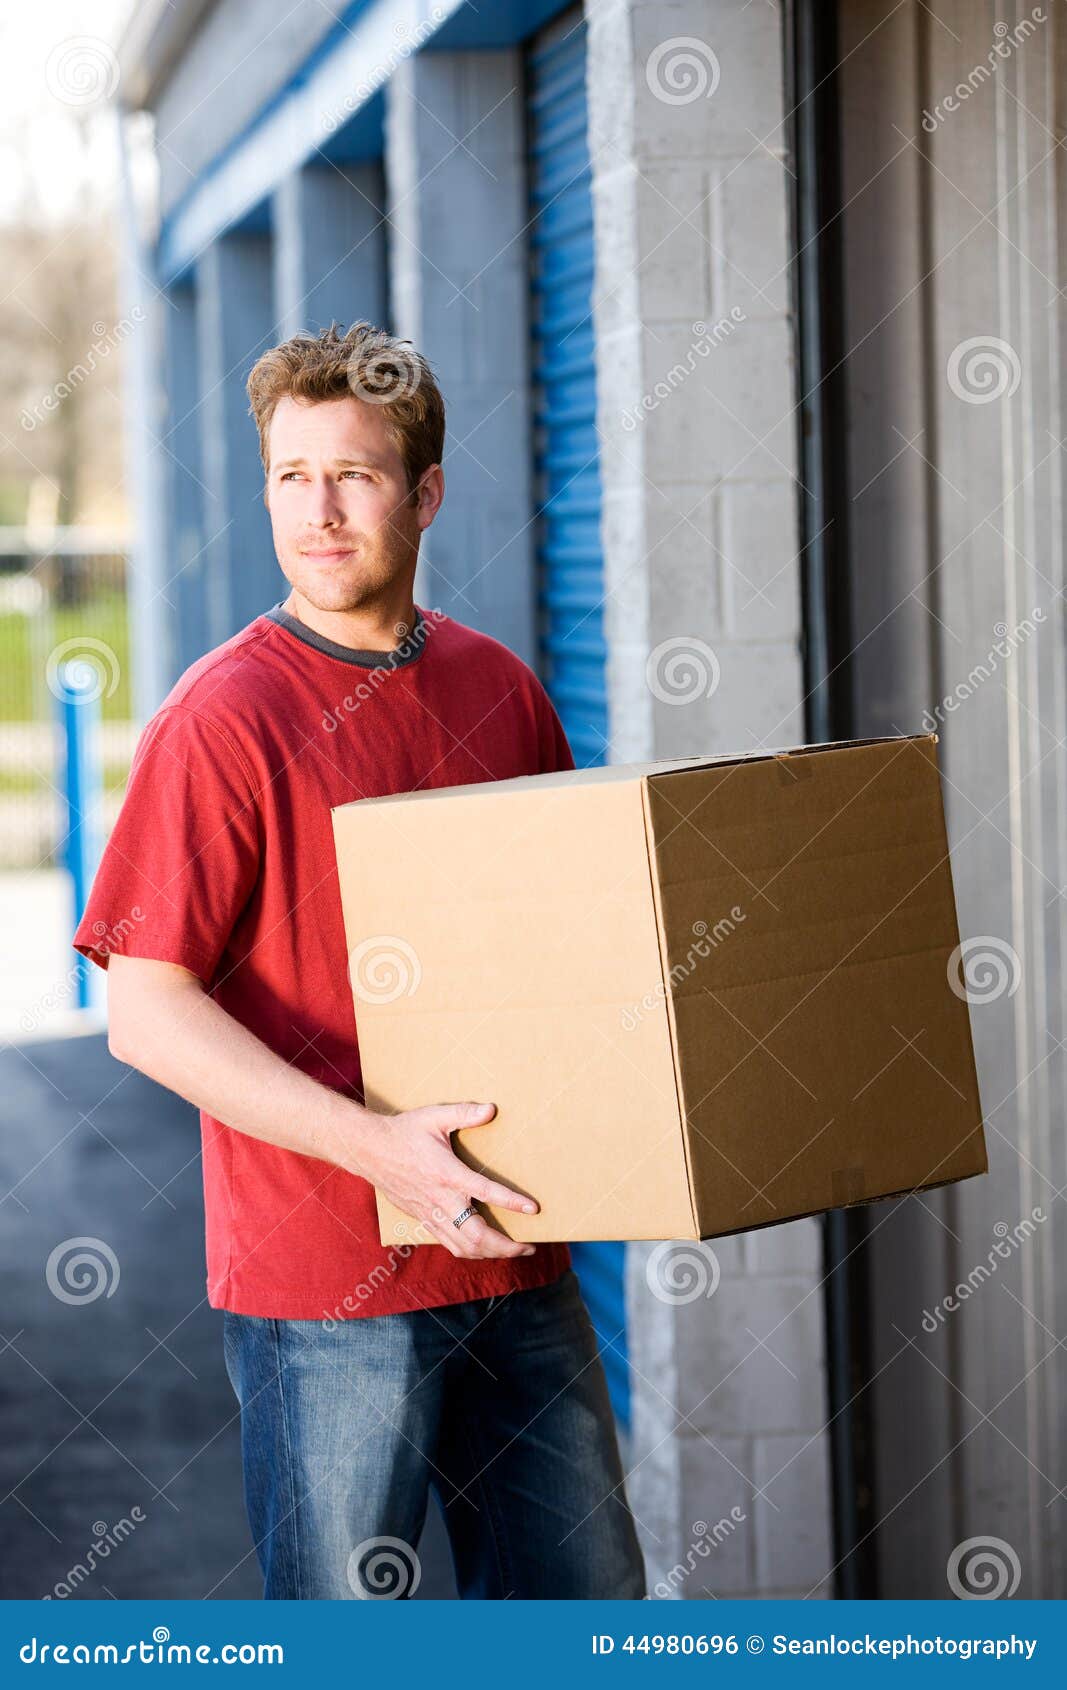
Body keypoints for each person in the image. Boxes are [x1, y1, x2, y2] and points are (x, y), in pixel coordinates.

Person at [72, 321, 646, 1602]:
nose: (318, 513)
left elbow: (566, 954)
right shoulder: (221, 719)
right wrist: (377, 1146)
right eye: (290, 476)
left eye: (356, 475)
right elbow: (146, 1013)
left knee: (585, 1617)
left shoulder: (499, 691)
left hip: (512, 1245)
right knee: (352, 1638)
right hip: (326, 1283)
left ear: (426, 491)